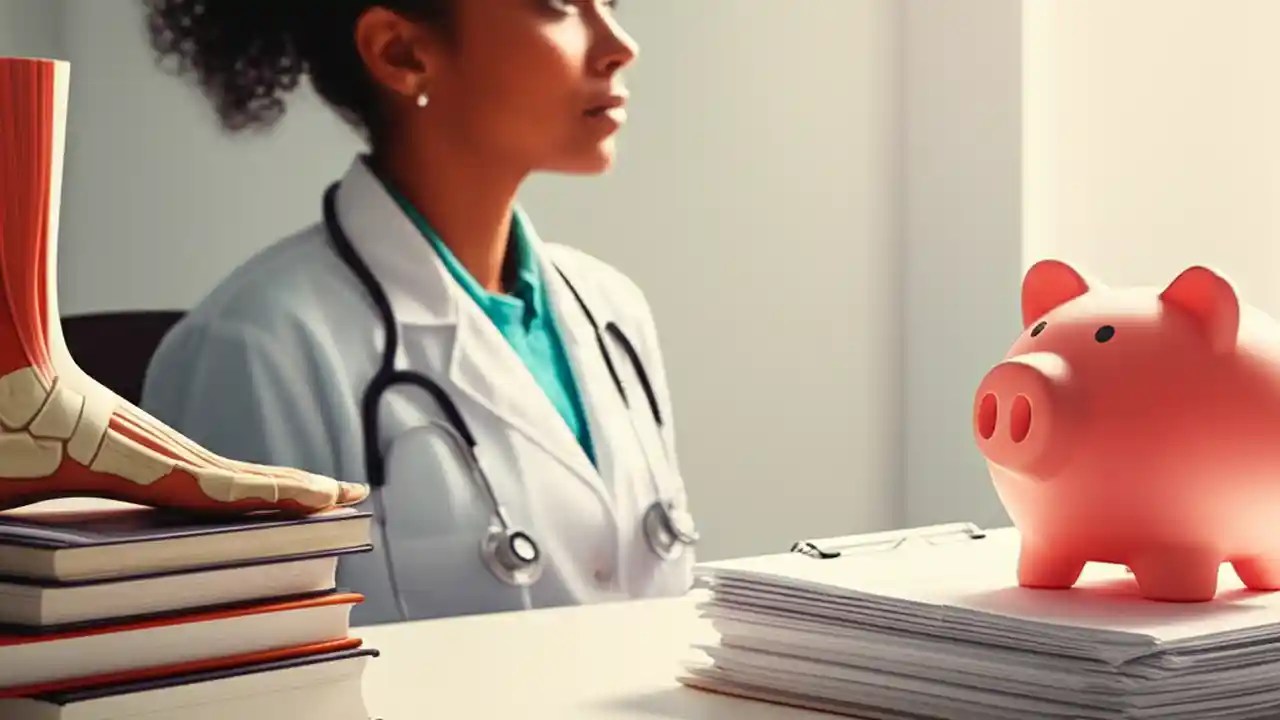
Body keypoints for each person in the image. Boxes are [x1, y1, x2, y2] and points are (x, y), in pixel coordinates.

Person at [138, 0, 698, 626]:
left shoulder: (612, 310)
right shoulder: (256, 349)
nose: (620, 45)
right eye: (559, 5)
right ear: (401, 54)